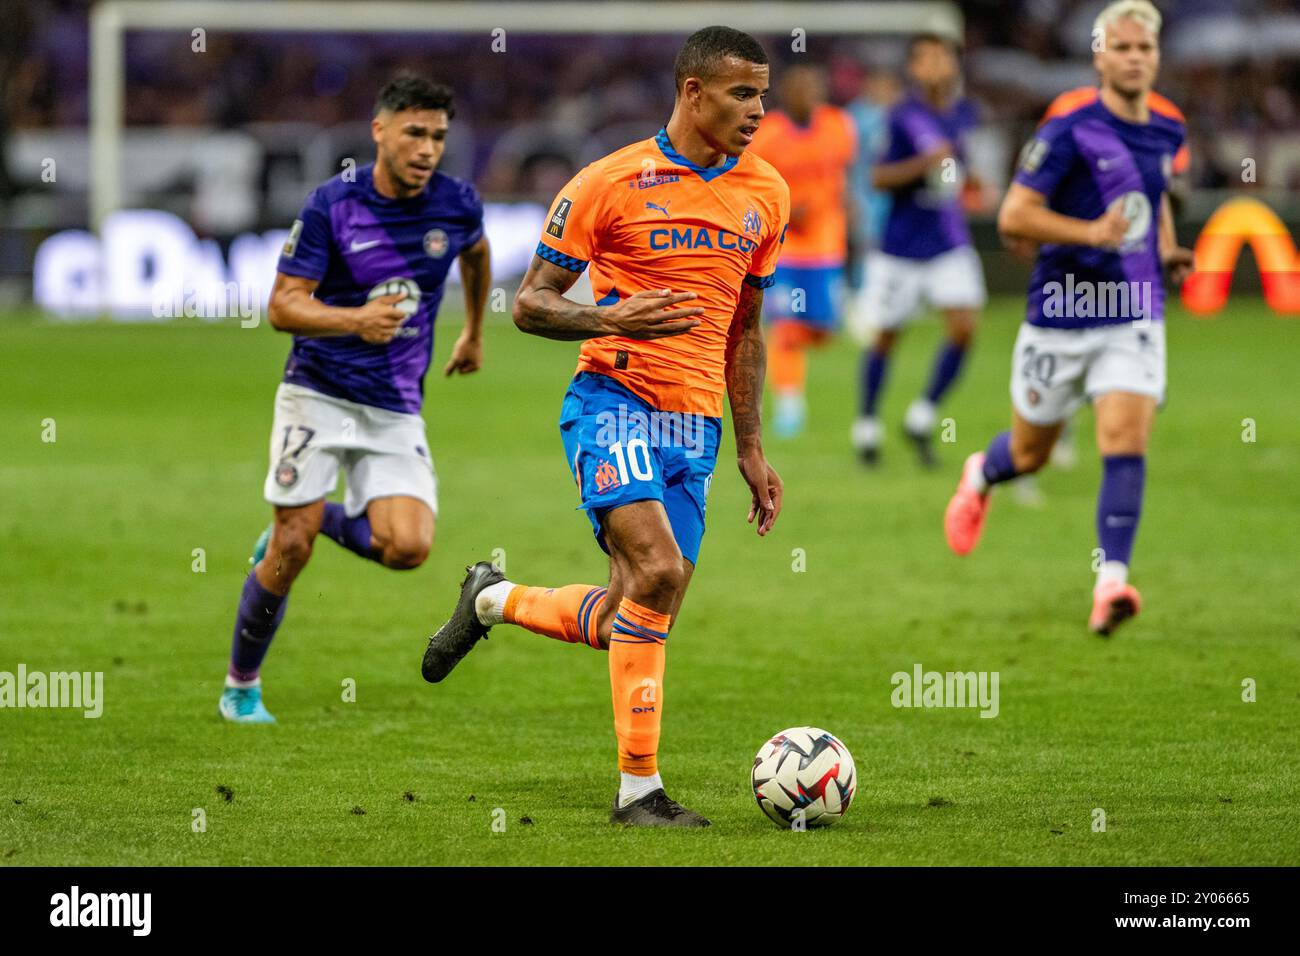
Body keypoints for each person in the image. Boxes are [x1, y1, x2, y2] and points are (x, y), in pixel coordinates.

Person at [422, 26, 789, 827]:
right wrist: (613, 318)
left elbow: (746, 328)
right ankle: (639, 793)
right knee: (656, 571)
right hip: (612, 402)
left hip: (697, 428)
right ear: (693, 92)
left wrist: (753, 448)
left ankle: (493, 600)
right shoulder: (608, 182)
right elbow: (528, 303)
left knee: (637, 604)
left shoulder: (767, 193)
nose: (760, 109)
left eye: (763, 93)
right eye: (743, 93)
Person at [219, 75, 491, 722]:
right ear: (380, 131)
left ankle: (305, 518)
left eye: (438, 137)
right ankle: (241, 685)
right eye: (414, 134)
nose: (427, 149)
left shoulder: (455, 203)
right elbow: (282, 306)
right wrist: (355, 321)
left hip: (395, 404)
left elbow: (476, 256)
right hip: (317, 392)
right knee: (292, 549)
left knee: (409, 549)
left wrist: (475, 332)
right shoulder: (331, 206)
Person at [943, 0, 1194, 636]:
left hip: (1132, 312)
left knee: (1124, 439)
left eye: (1145, 48)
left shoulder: (1168, 128)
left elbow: (1152, 197)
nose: (1135, 58)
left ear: (1156, 56)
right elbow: (1013, 218)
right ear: (1100, 55)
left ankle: (1111, 583)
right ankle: (982, 473)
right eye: (1124, 47)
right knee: (1029, 453)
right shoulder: (1069, 127)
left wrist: (1164, 249)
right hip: (1060, 312)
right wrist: (1092, 231)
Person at [851, 34, 985, 467]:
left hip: (948, 239)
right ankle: (868, 424)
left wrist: (971, 181)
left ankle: (922, 416)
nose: (936, 66)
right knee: (887, 335)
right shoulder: (902, 115)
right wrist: (922, 166)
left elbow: (955, 169)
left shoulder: (964, 113)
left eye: (942, 57)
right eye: (926, 59)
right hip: (901, 246)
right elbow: (878, 179)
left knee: (964, 328)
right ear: (913, 68)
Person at [748, 64, 856, 437]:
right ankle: (790, 406)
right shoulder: (768, 134)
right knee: (786, 327)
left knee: (823, 329)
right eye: (800, 89)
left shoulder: (838, 127)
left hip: (826, 246)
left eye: (814, 88)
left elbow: (841, 175)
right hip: (785, 248)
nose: (808, 96)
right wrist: (786, 212)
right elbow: (754, 184)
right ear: (786, 94)